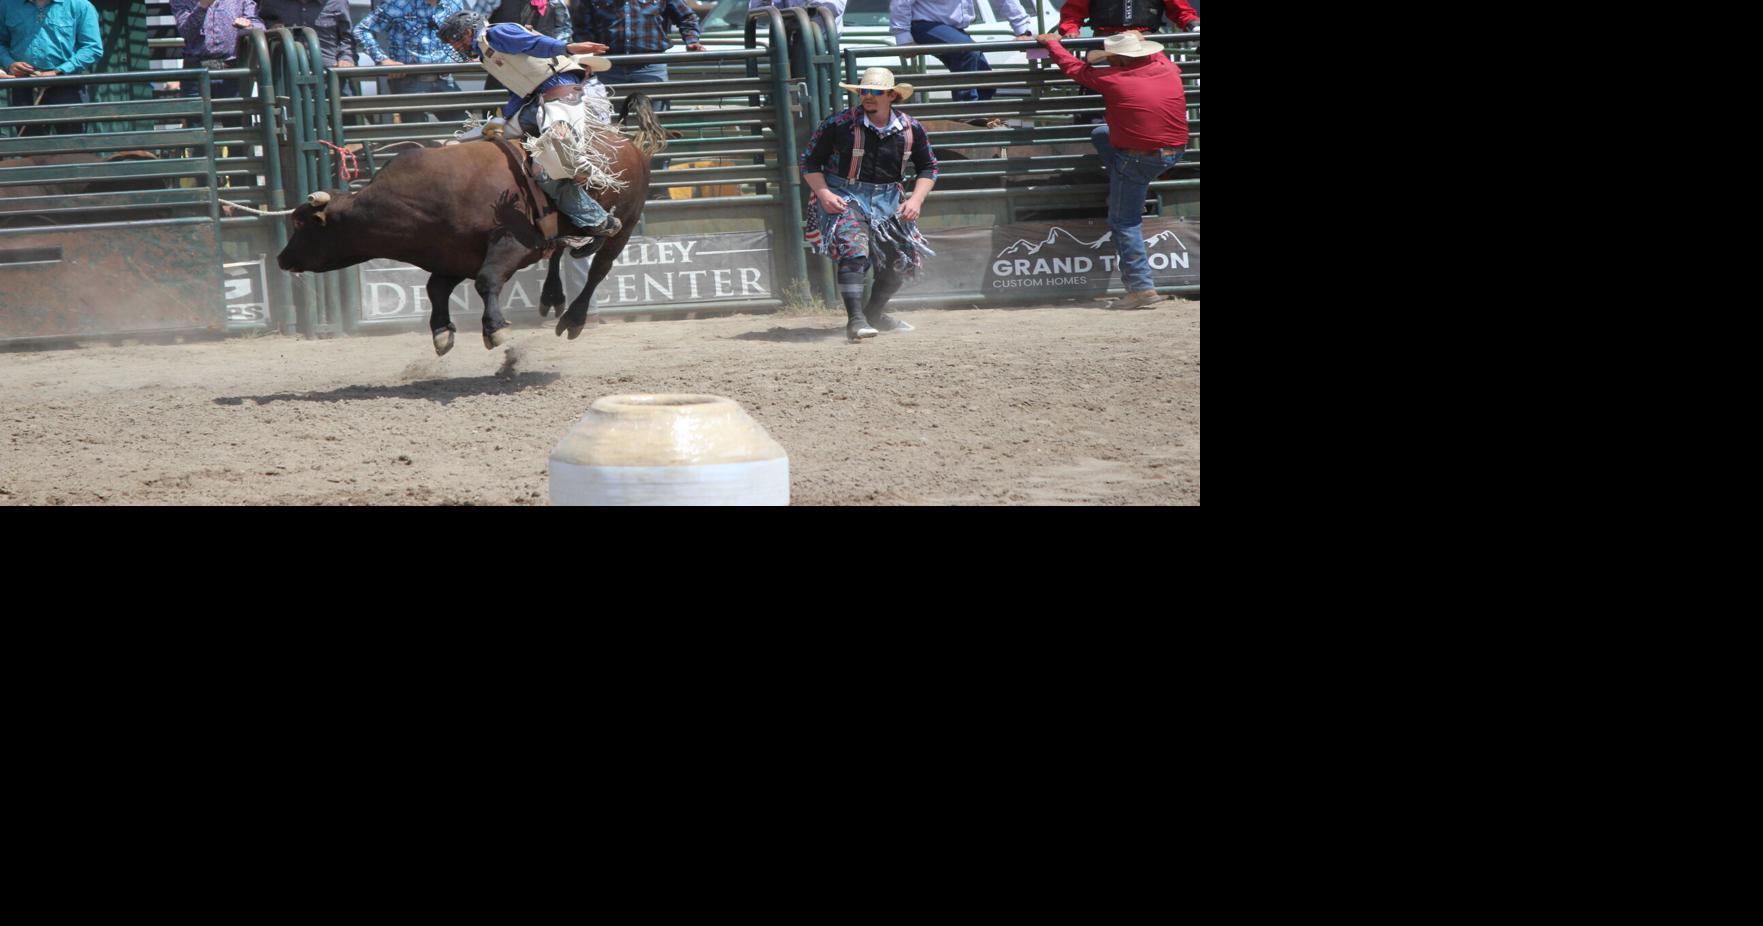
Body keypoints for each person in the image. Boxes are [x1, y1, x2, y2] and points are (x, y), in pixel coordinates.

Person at [441, 9, 624, 250]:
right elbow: (520, 90)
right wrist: (503, 119)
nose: (455, 47)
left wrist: (567, 48)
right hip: (535, 103)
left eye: (455, 40)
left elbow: (535, 44)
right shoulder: (487, 52)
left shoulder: (496, 33)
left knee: (547, 167)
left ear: (467, 31)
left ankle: (599, 221)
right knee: (479, 139)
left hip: (560, 97)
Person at [1036, 30, 1185, 309]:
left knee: (1124, 222)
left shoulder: (1112, 79)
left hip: (1138, 159)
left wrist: (1053, 44)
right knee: (1101, 133)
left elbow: (1074, 69)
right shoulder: (1167, 67)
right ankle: (1127, 189)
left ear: (1119, 59)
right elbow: (1158, 56)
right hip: (1174, 150)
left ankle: (1140, 288)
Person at [799, 67, 937, 342]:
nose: (868, 97)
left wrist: (916, 199)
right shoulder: (838, 124)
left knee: (900, 259)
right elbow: (809, 162)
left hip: (889, 199)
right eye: (864, 91)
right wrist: (824, 194)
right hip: (846, 195)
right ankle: (856, 320)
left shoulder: (910, 128)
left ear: (891, 96)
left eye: (875, 92)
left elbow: (928, 167)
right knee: (854, 250)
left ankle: (874, 313)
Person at [889, 0, 1034, 103]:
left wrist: (1023, 30)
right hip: (923, 25)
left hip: (949, 28)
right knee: (967, 50)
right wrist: (904, 38)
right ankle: (966, 110)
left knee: (986, 82)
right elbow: (901, 2)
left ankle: (979, 114)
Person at [572, 0, 704, 111]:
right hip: (609, 66)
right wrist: (590, 52)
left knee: (654, 120)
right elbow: (581, 26)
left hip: (650, 65)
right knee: (610, 123)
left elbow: (687, 17)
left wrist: (692, 40)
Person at [354, 0, 471, 125]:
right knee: (418, 138)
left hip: (445, 78)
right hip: (409, 80)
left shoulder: (453, 3)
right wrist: (383, 60)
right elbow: (361, 30)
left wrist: (468, 54)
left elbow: (463, 33)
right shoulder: (397, 3)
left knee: (468, 129)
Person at [1, 0, 103, 135]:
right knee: (30, 143)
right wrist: (9, 63)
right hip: (23, 84)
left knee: (72, 144)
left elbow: (92, 48)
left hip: (68, 84)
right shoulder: (6, 5)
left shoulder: (80, 6)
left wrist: (58, 71)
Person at [171, 0, 263, 100]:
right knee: (196, 114)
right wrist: (202, 7)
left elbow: (258, 24)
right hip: (196, 70)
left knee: (233, 114)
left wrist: (249, 25)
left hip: (232, 69)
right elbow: (185, 31)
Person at [482, 0, 571, 93]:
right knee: (495, 100)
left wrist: (557, 48)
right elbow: (479, 21)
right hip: (503, 63)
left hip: (541, 66)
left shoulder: (555, 2)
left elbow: (563, 29)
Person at [259, 0, 362, 68]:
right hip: (288, 78)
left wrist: (346, 58)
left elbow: (347, 37)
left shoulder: (337, 2)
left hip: (330, 75)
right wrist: (272, 28)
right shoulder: (273, 3)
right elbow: (260, 24)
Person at [1056, 0, 1199, 38]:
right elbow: (1072, 12)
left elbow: (1182, 11)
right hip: (1105, 41)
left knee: (1162, 79)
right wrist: (1070, 30)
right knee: (1095, 89)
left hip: (1145, 41)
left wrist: (1195, 26)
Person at [749, 0, 845, 34]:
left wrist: (796, 14)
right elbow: (754, 9)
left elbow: (834, 7)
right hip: (786, 46)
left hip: (823, 47)